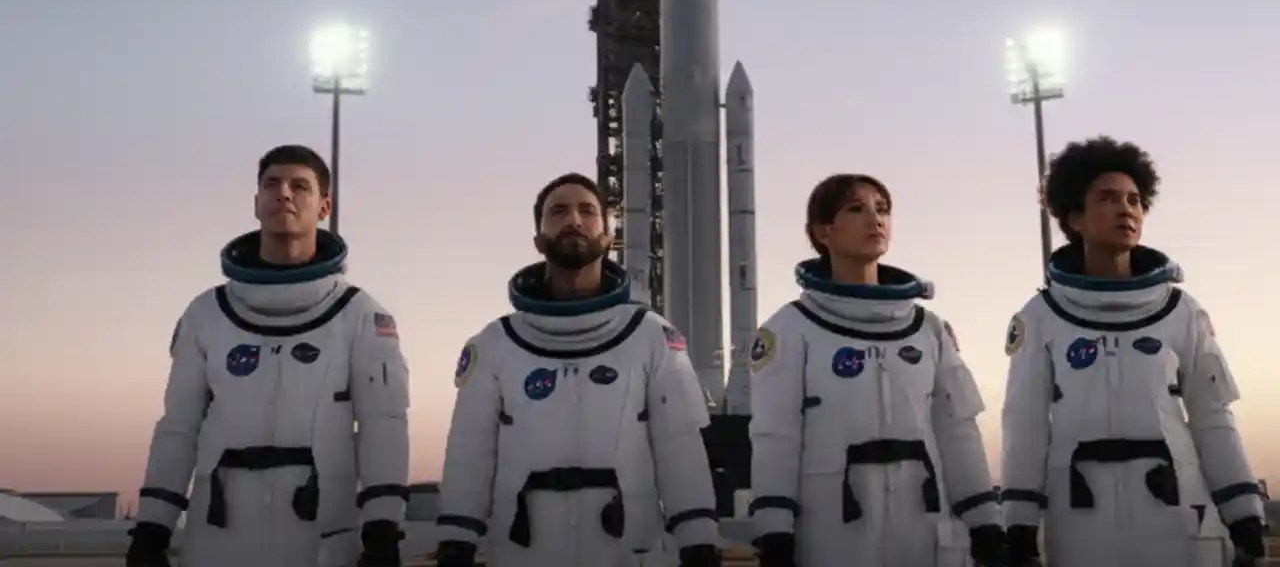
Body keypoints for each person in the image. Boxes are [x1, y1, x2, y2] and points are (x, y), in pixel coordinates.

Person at [125, 145, 411, 567]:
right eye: (272, 184)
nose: (284, 194)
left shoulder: (360, 315)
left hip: (323, 543)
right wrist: (152, 528)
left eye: (300, 186)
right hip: (217, 541)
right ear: (256, 203)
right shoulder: (206, 314)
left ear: (325, 206)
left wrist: (383, 528)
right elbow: (178, 428)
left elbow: (382, 428)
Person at [1000, 136, 1267, 567]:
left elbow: (1212, 417)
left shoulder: (1181, 311)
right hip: (1078, 521)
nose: (1126, 210)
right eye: (1108, 199)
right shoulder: (1041, 316)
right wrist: (1019, 523)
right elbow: (1024, 426)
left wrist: (1244, 513)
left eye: (1134, 200)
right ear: (1075, 217)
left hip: (1178, 515)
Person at [432, 172, 722, 567]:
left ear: (607, 236)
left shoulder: (650, 336)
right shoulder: (495, 344)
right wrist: (456, 540)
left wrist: (698, 539)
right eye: (558, 212)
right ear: (539, 239)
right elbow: (470, 453)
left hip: (629, 555)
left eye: (587, 211)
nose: (574, 220)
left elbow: (680, 448)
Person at [748, 173, 1006, 567]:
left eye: (882, 209)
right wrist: (774, 529)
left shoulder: (928, 329)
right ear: (823, 231)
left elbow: (956, 430)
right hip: (832, 531)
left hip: (923, 526)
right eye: (857, 209)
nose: (875, 219)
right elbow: (775, 437)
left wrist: (984, 518)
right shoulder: (791, 329)